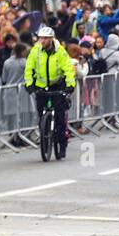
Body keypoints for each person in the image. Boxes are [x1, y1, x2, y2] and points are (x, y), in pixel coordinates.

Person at [24, 26, 76, 160]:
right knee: (41, 115)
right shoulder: (35, 51)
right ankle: (44, 133)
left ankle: (62, 144)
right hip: (41, 86)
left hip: (57, 86)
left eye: (45, 38)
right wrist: (29, 84)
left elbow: (68, 69)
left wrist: (70, 85)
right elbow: (29, 67)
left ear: (51, 39)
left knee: (60, 118)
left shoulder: (60, 52)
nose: (42, 41)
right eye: (41, 38)